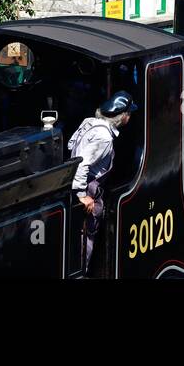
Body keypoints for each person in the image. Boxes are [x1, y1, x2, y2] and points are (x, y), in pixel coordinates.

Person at [69, 91, 138, 276]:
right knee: (87, 235)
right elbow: (82, 163)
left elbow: (71, 145)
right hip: (89, 187)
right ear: (123, 116)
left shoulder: (88, 122)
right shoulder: (104, 137)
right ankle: (82, 272)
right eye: (129, 114)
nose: (130, 117)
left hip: (79, 182)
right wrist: (82, 195)